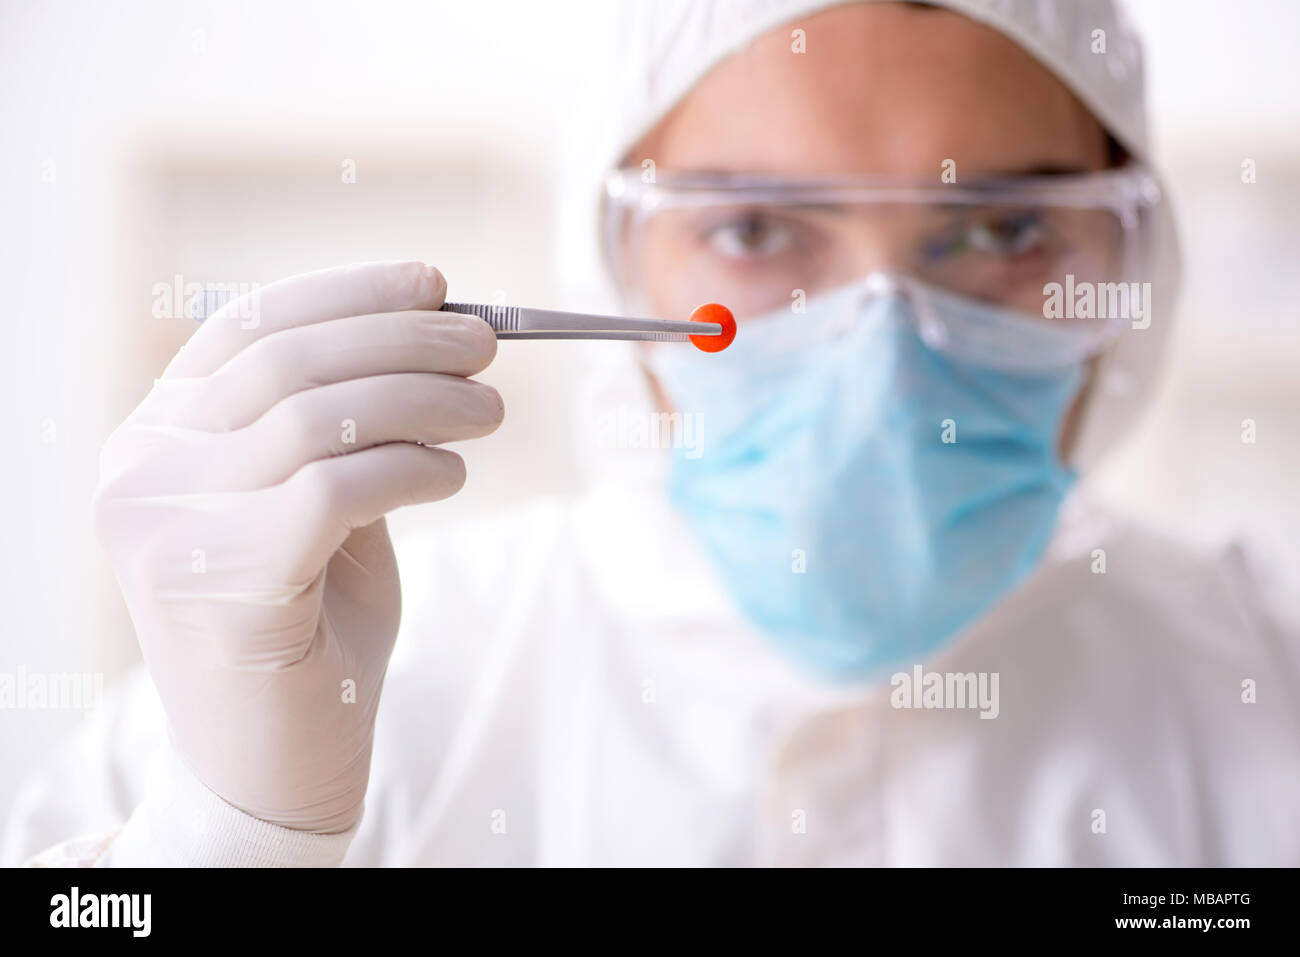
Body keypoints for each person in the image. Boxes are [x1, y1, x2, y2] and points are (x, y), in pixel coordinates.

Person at [5, 0, 1297, 867]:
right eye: (755, 231)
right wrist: (237, 827)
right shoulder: (331, 681)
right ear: (614, 257)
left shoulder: (1263, 678)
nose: (882, 347)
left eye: (1005, 232)